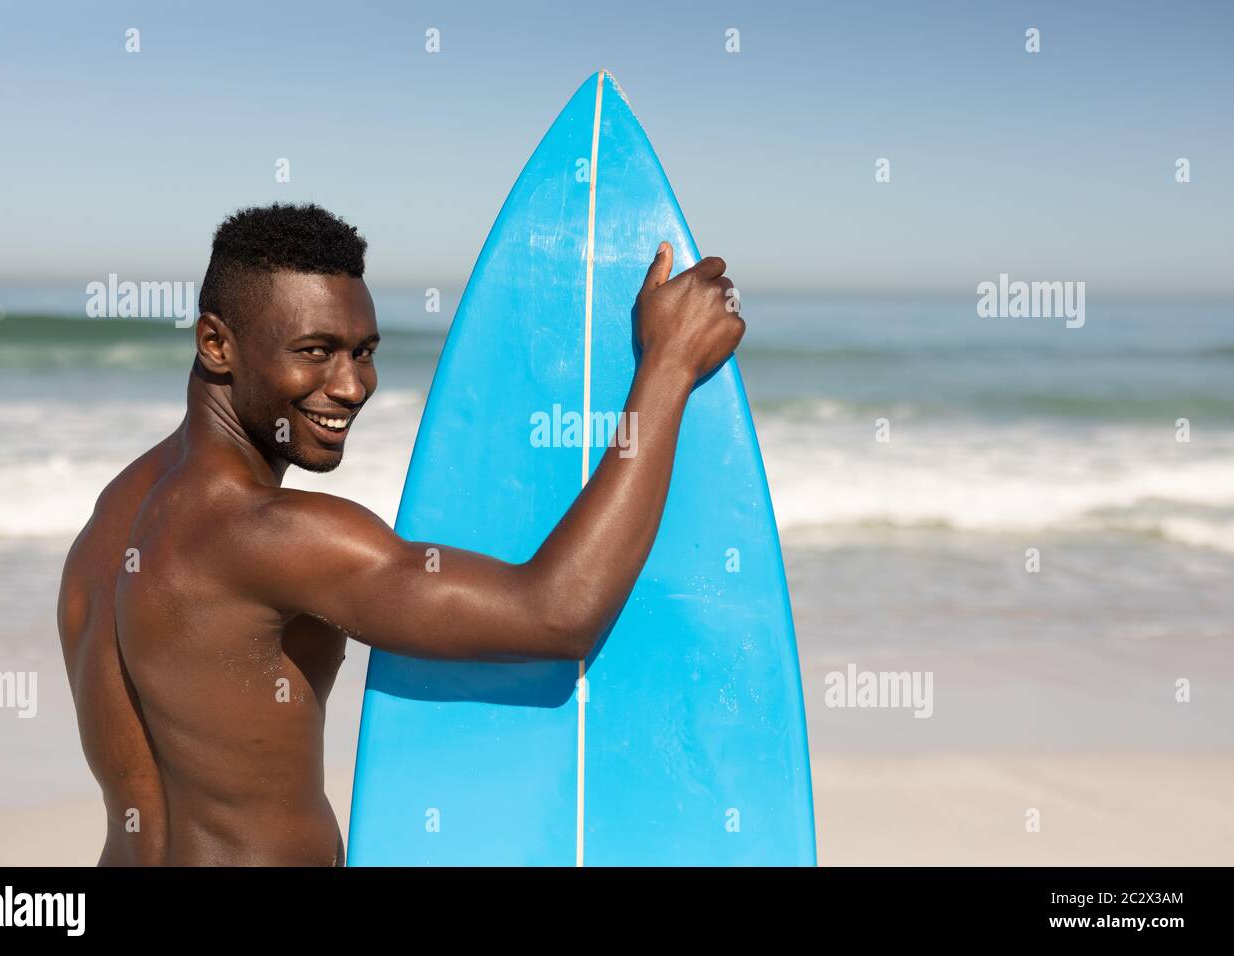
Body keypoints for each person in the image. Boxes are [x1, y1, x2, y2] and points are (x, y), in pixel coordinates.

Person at [56, 202, 745, 865]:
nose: (352, 386)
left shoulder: (113, 519)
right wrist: (669, 365)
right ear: (216, 343)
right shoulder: (269, 534)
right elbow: (556, 613)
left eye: (363, 351)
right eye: (315, 351)